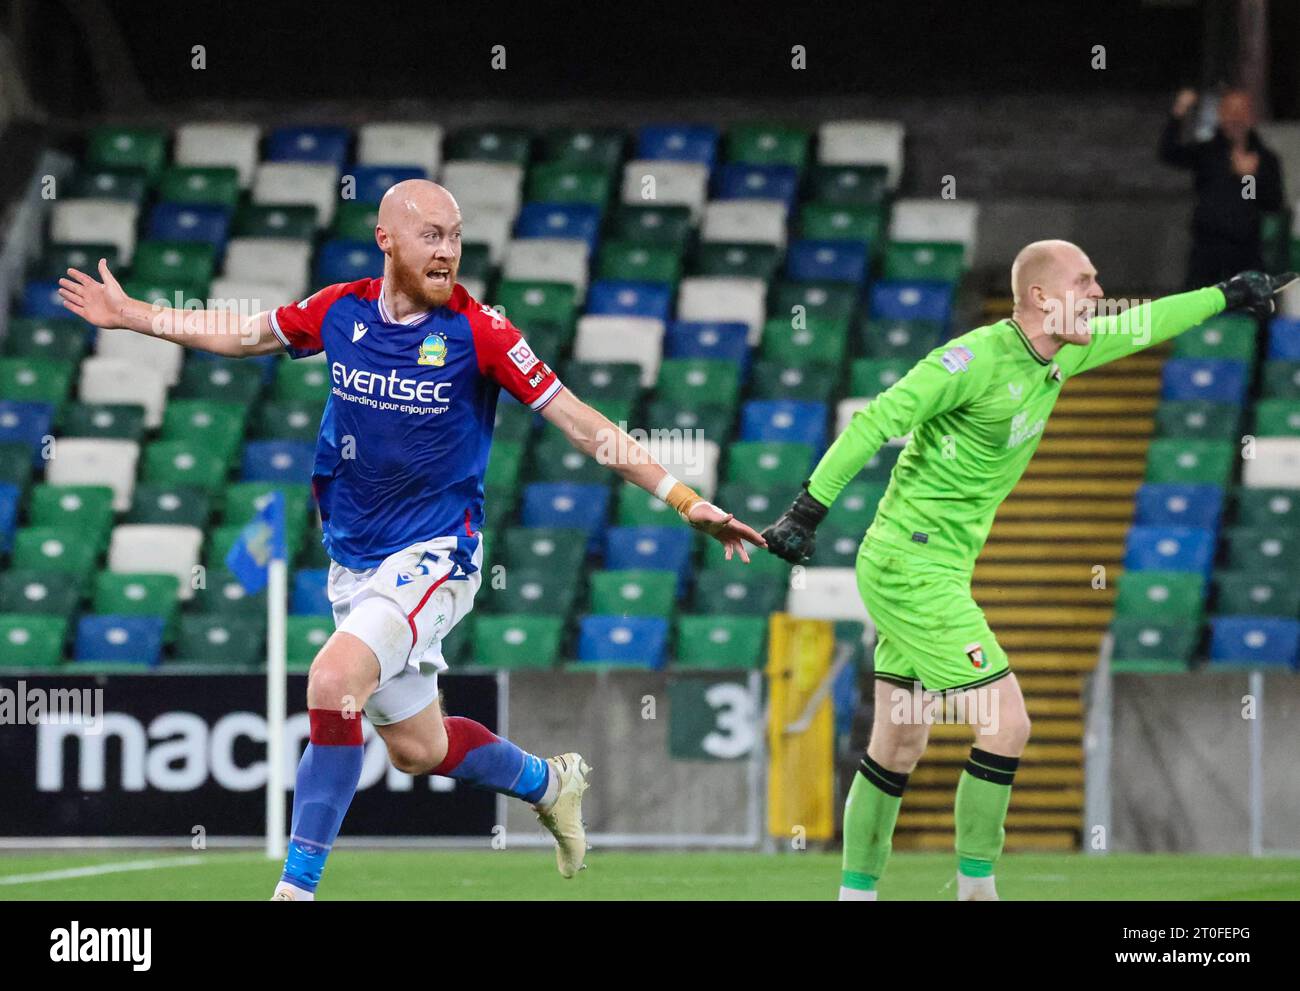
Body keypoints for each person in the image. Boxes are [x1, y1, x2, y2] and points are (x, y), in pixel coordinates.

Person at [59, 179, 767, 900]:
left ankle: (295, 890)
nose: (449, 250)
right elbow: (242, 335)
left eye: (456, 236)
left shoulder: (481, 330)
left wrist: (683, 498)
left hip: (437, 554)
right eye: (432, 234)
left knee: (332, 682)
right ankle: (548, 781)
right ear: (387, 239)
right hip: (356, 561)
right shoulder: (338, 310)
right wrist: (133, 316)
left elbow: (582, 421)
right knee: (417, 748)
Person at [761, 239, 1295, 901]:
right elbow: (876, 420)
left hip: (936, 569)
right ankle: (977, 889)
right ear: (1041, 296)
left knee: (898, 743)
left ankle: (856, 895)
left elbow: (1145, 324)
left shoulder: (1064, 351)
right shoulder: (972, 360)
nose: (1100, 293)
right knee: (1008, 722)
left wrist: (1230, 293)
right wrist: (805, 511)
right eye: (1086, 279)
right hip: (909, 565)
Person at [1159, 87, 1286, 288]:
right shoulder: (1208, 152)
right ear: (1220, 115)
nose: (1235, 117)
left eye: (1241, 111)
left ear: (1251, 116)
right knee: (1194, 305)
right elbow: (1168, 153)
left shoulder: (1265, 158)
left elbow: (1273, 204)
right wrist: (1179, 112)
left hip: (1245, 249)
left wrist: (1249, 179)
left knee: (1255, 303)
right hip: (1207, 247)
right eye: (1230, 111)